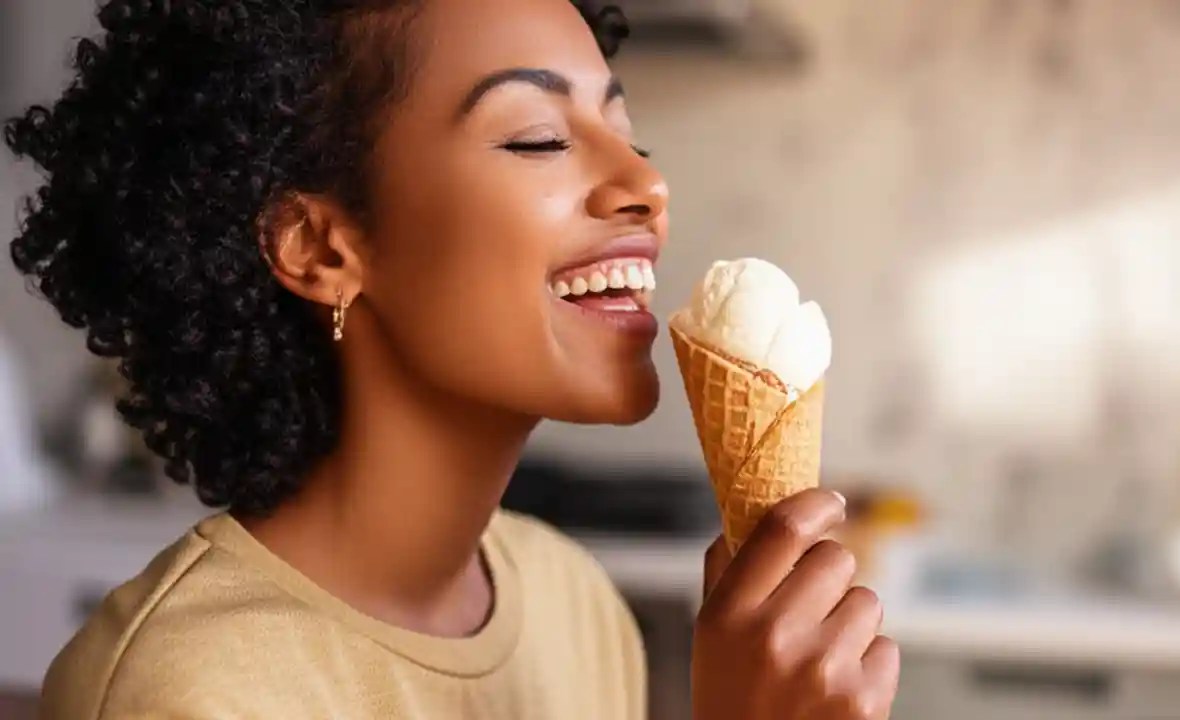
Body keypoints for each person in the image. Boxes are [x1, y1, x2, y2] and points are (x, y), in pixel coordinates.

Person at [5, 1, 899, 718]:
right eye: (538, 139)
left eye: (630, 136)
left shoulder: (575, 601)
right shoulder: (183, 688)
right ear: (321, 248)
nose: (647, 184)